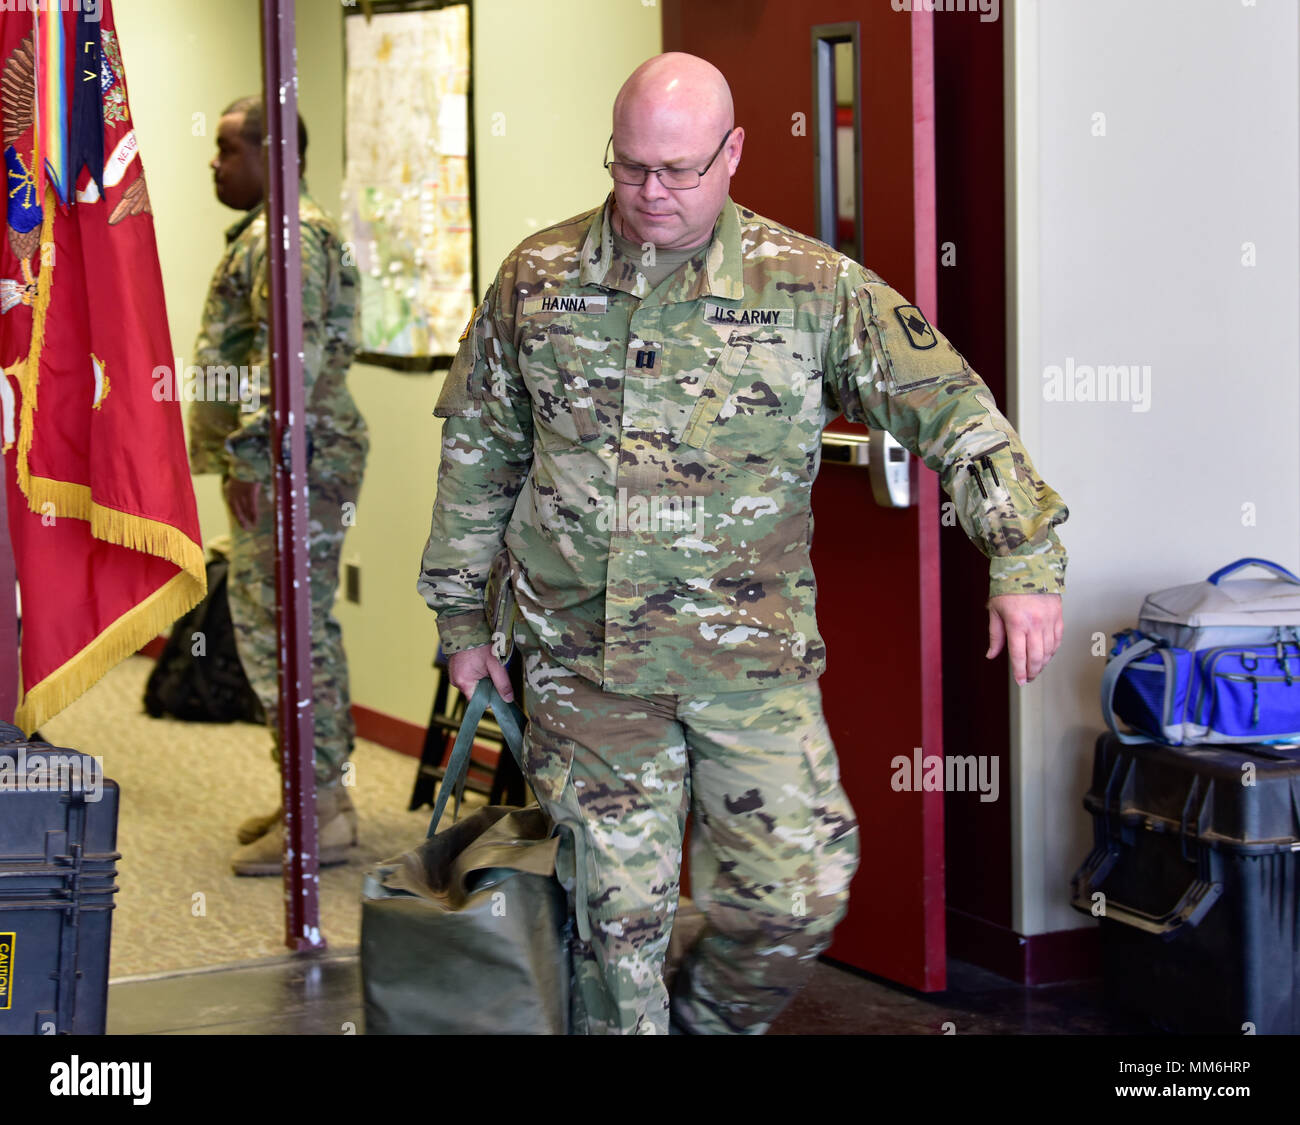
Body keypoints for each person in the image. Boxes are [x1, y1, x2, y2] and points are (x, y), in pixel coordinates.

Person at [417, 53, 1067, 1034]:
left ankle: (704, 1024)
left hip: (748, 666)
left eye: (677, 170)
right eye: (630, 166)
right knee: (614, 926)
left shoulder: (810, 288)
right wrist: (463, 618)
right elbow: (479, 452)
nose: (650, 194)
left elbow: (951, 410)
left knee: (793, 894)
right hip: (581, 667)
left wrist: (1021, 560)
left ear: (734, 154)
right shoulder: (536, 279)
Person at [189, 97, 369, 877]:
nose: (214, 163)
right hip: (287, 460)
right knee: (283, 623)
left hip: (291, 462)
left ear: (270, 150)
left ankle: (323, 807)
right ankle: (308, 793)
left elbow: (284, 368)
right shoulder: (277, 232)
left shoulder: (290, 238)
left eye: (226, 149)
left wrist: (256, 465)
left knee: (286, 631)